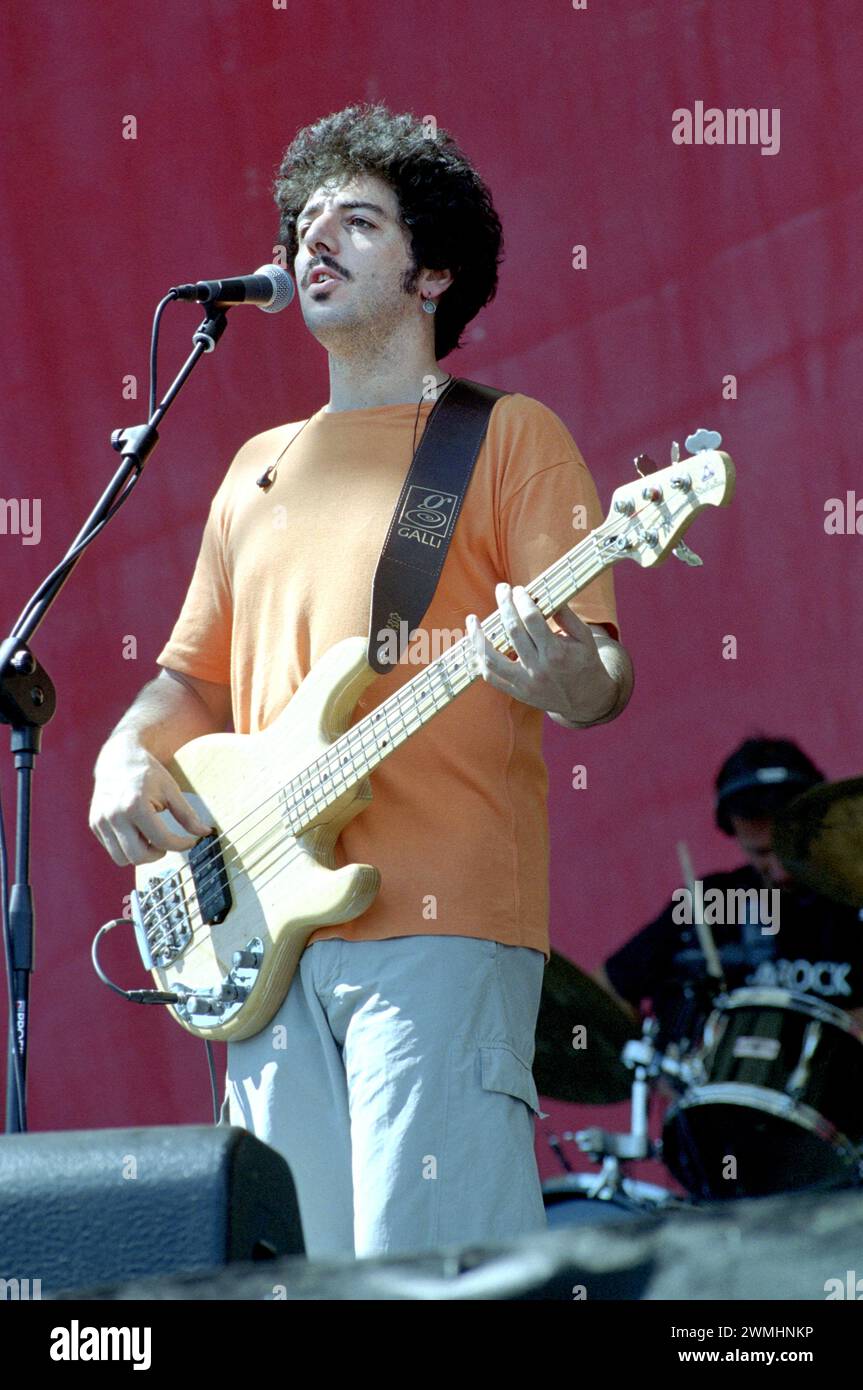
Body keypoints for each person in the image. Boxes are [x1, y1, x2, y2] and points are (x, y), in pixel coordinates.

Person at [89, 103, 633, 1259]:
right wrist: (126, 751)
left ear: (432, 273)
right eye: (305, 223)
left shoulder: (504, 437)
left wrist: (560, 672)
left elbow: (598, 672)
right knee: (296, 1272)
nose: (314, 241)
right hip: (262, 931)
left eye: (359, 221)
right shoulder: (257, 469)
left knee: (427, 1268)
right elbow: (192, 679)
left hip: (439, 922)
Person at [596, 737, 863, 1047]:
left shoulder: (853, 898)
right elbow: (602, 993)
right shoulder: (710, 902)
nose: (781, 871)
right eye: (762, 852)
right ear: (733, 830)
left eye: (793, 848)